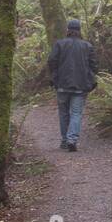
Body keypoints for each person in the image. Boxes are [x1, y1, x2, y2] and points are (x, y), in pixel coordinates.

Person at [47, 19, 97, 152]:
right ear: (79, 30)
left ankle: (65, 141)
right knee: (76, 113)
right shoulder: (87, 46)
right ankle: (72, 140)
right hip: (80, 86)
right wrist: (88, 79)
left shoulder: (59, 44)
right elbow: (94, 66)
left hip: (62, 85)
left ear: (68, 30)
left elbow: (52, 62)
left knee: (63, 113)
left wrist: (55, 78)